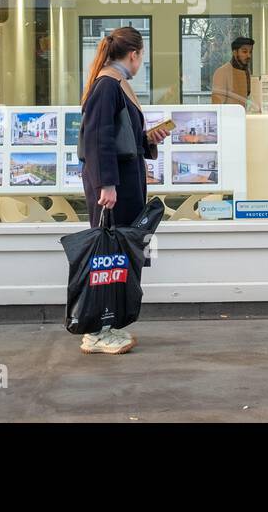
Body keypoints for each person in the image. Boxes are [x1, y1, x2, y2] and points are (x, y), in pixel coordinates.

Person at [78, 26, 171, 355]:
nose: (140, 62)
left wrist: (148, 140)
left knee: (117, 257)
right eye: (141, 56)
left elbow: (116, 138)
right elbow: (96, 139)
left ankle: (107, 327)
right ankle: (96, 331)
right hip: (113, 190)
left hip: (119, 186)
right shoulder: (109, 86)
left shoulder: (112, 85)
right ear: (134, 54)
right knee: (108, 258)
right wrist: (107, 185)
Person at [210, 35, 254, 109]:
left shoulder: (247, 72)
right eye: (244, 52)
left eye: (250, 52)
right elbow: (216, 105)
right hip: (227, 118)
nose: (248, 55)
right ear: (235, 52)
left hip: (243, 117)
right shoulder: (221, 72)